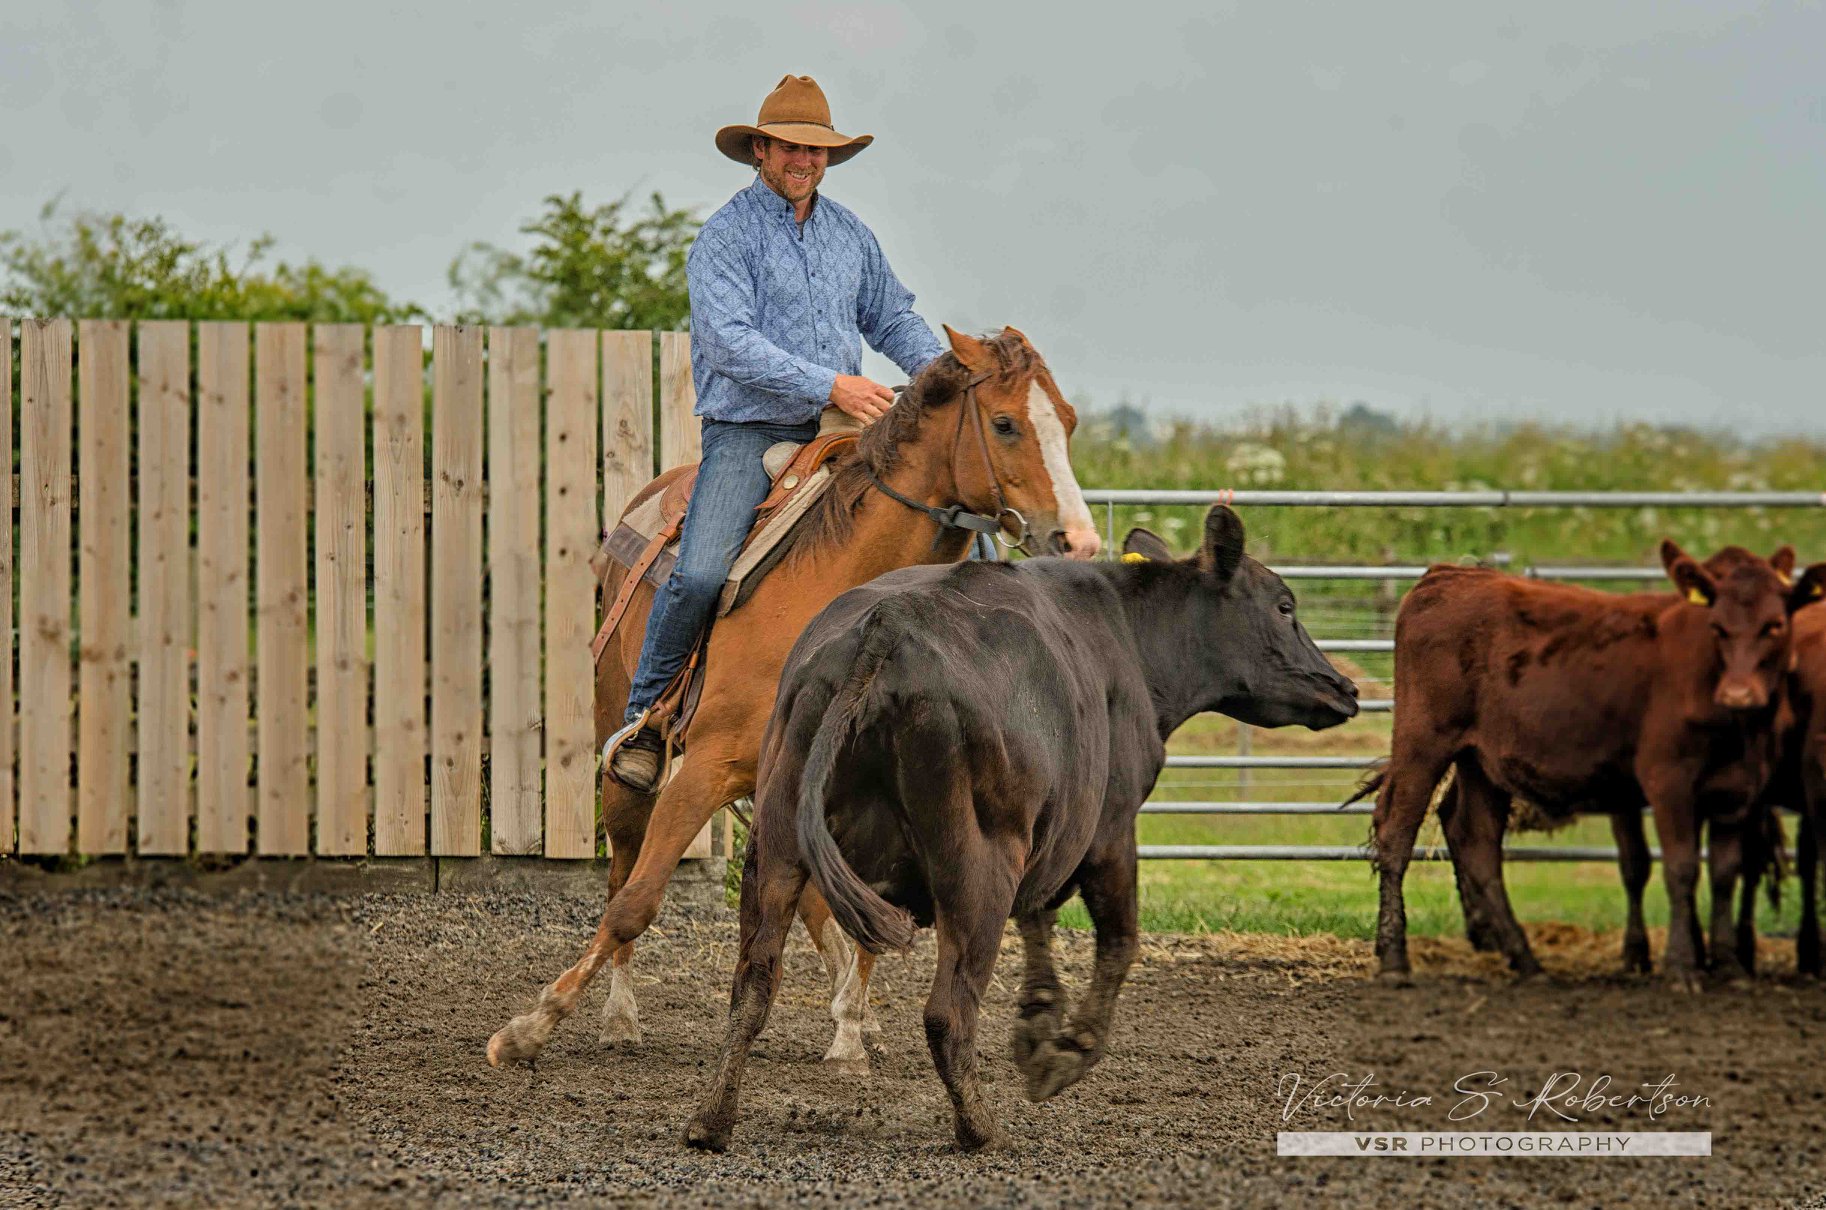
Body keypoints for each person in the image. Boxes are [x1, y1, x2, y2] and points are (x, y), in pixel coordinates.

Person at [605, 74, 945, 792]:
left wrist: (946, 376)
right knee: (699, 572)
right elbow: (728, 343)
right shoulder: (726, 237)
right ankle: (648, 720)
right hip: (748, 432)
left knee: (948, 540)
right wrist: (832, 384)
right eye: (792, 147)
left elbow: (892, 319)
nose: (805, 161)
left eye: (818, 151)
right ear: (760, 149)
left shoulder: (851, 234)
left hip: (845, 430)